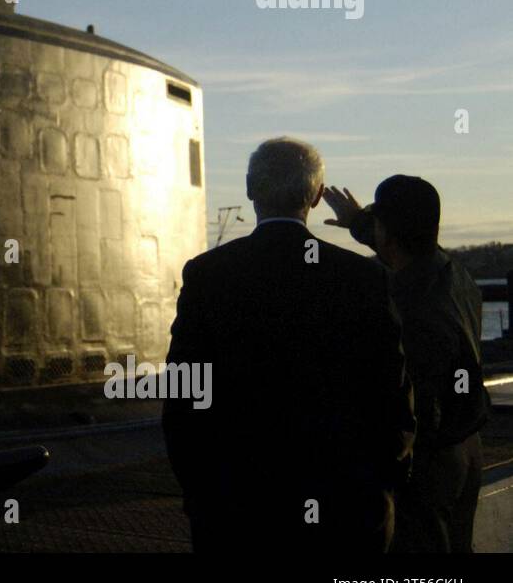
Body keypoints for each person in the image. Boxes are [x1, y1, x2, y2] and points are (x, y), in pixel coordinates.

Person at [163, 137, 414, 552]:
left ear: (248, 189)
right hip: (345, 511)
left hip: (236, 511)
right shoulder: (362, 279)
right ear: (317, 196)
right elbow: (392, 393)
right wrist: (383, 486)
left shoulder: (208, 276)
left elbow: (184, 396)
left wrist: (200, 494)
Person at [324, 176, 488, 552]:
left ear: (389, 235)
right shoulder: (451, 272)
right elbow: (401, 245)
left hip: (433, 458)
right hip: (468, 442)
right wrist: (359, 222)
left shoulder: (407, 307)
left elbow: (416, 411)